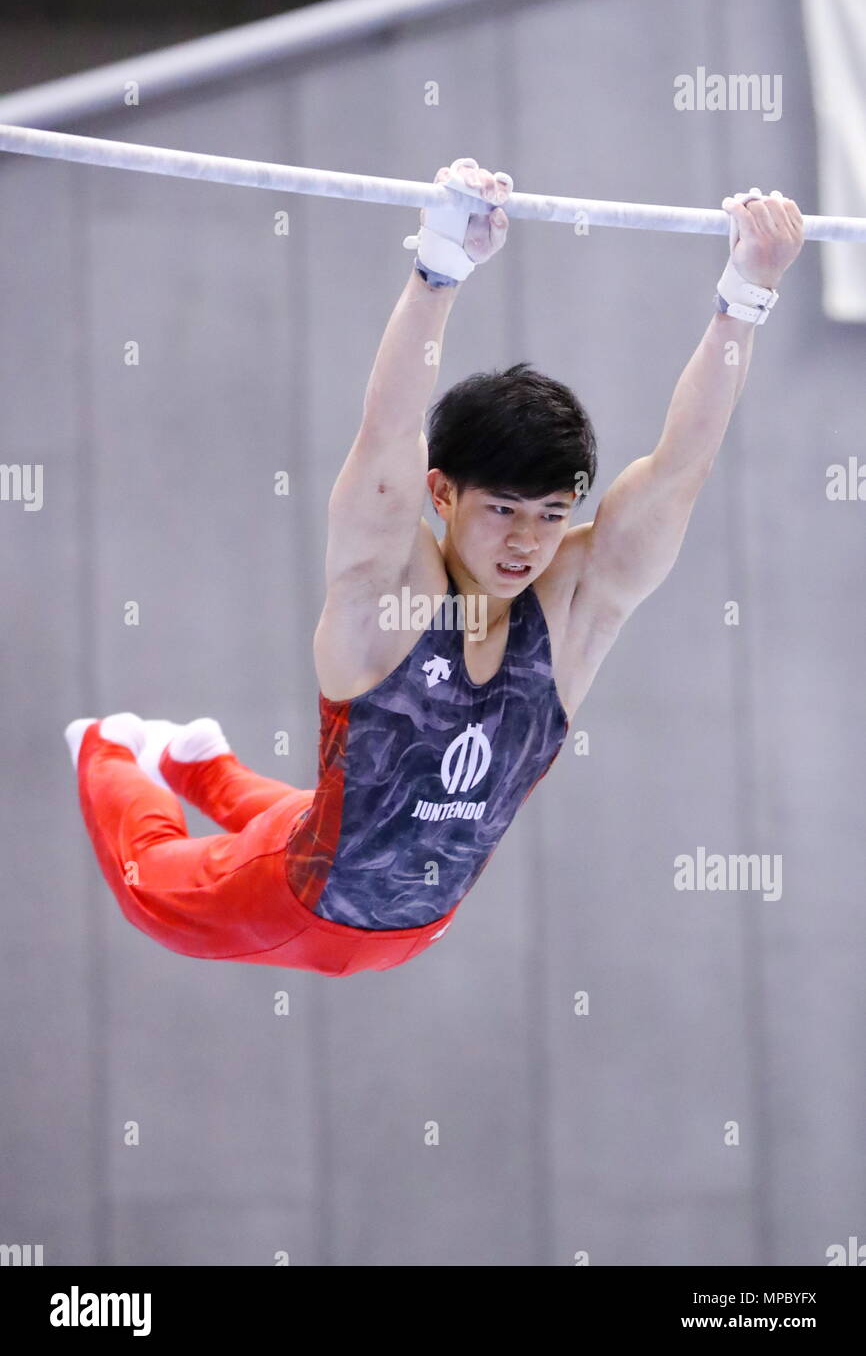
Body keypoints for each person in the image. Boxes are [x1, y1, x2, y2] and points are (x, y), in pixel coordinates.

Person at [65, 158, 805, 976]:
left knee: (317, 811)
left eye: (552, 514)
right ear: (441, 495)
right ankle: (109, 746)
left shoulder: (571, 609)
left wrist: (745, 297)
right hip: (292, 908)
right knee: (149, 891)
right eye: (502, 509)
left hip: (406, 907)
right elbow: (384, 441)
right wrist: (437, 269)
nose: (529, 542)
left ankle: (200, 760)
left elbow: (677, 471)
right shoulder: (393, 593)